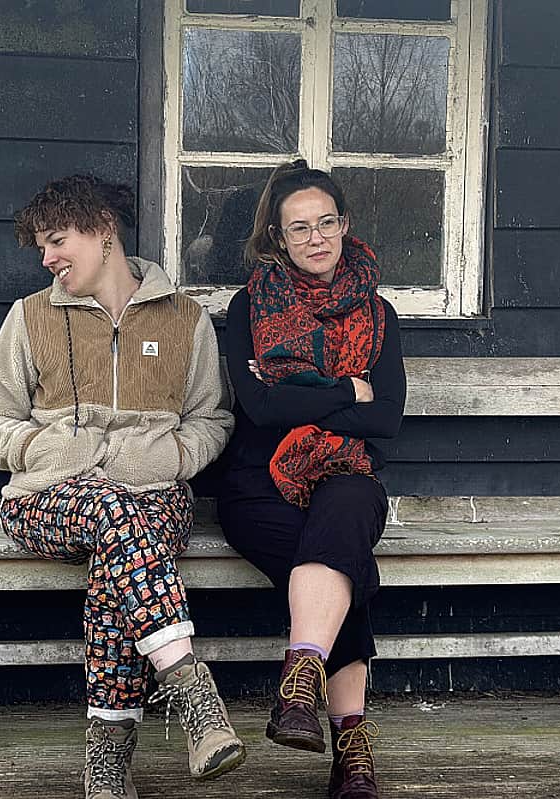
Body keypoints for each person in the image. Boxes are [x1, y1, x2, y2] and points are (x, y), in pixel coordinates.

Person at [0, 174, 245, 799]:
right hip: (47, 499)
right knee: (120, 525)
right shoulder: (30, 317)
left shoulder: (185, 320)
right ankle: (190, 690)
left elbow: (212, 419)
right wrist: (38, 447)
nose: (47, 259)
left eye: (57, 241)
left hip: (154, 495)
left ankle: (108, 762)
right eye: (41, 248)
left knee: (118, 559)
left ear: (104, 232)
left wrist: (168, 455)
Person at [216, 159, 406, 799]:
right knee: (344, 561)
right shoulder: (251, 307)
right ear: (279, 237)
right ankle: (353, 752)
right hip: (255, 485)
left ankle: (299, 684)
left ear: (346, 225)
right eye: (300, 228)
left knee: (347, 509)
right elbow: (261, 409)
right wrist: (346, 388)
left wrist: (305, 390)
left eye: (327, 222)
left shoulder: (378, 315)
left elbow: (385, 419)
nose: (316, 238)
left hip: (344, 474)